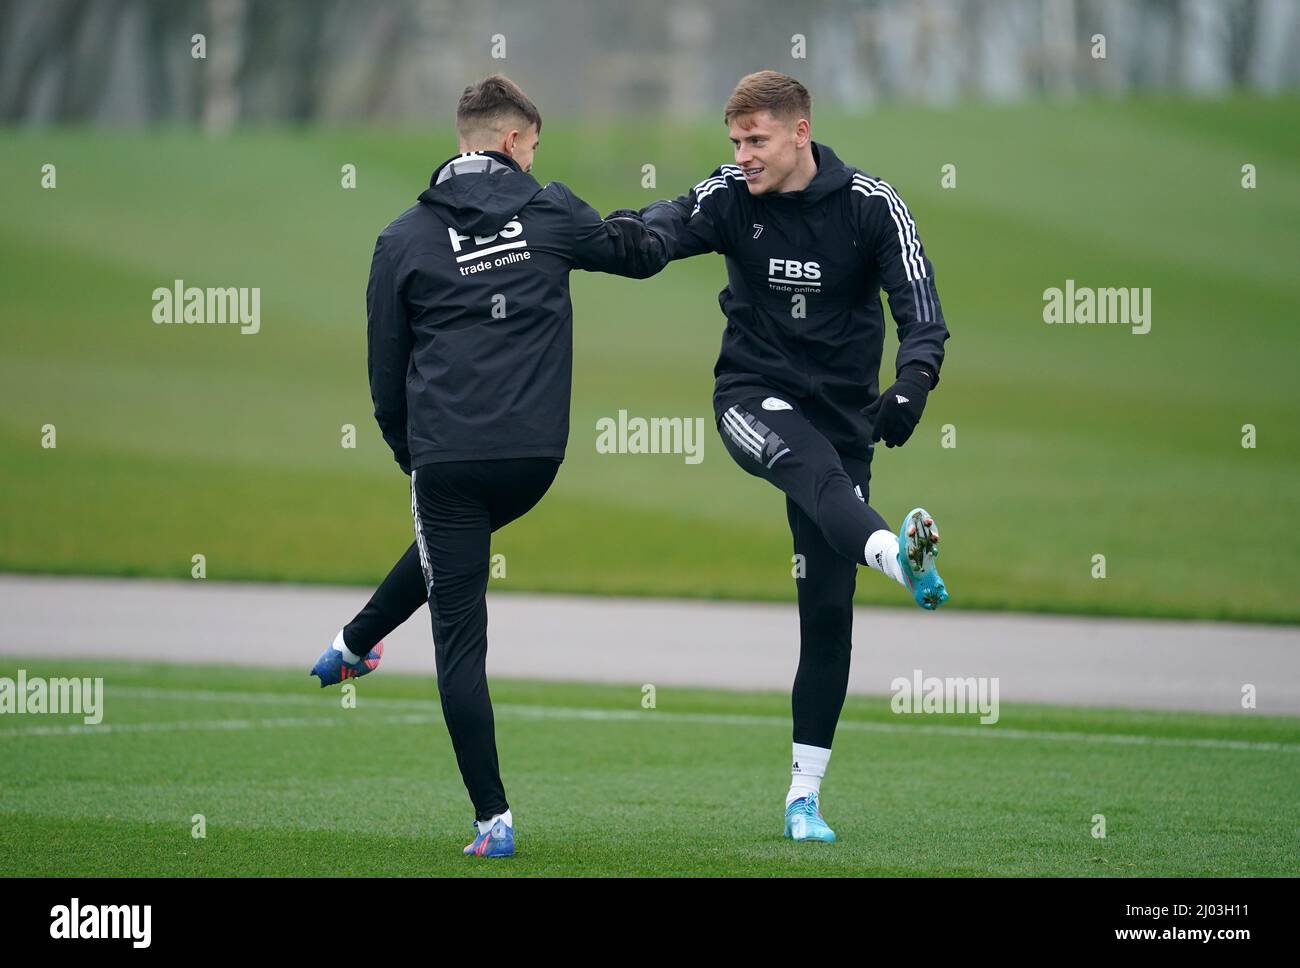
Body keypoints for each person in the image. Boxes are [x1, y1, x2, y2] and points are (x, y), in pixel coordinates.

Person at [308, 73, 673, 859]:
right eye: (534, 147)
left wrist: (413, 456)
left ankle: (492, 821)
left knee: (460, 635)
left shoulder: (402, 236)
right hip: (535, 459)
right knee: (448, 550)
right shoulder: (549, 210)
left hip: (446, 458)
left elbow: (385, 370)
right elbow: (637, 254)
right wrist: (695, 207)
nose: (536, 161)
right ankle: (354, 643)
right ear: (512, 141)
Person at [639, 70, 952, 843]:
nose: (743, 155)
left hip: (844, 416)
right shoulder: (729, 194)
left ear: (800, 132)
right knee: (812, 473)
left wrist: (910, 389)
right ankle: (895, 554)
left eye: (757, 140)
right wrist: (579, 237)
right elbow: (660, 230)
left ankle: (803, 798)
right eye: (735, 141)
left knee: (827, 615)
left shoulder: (872, 208)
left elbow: (923, 315)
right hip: (751, 398)